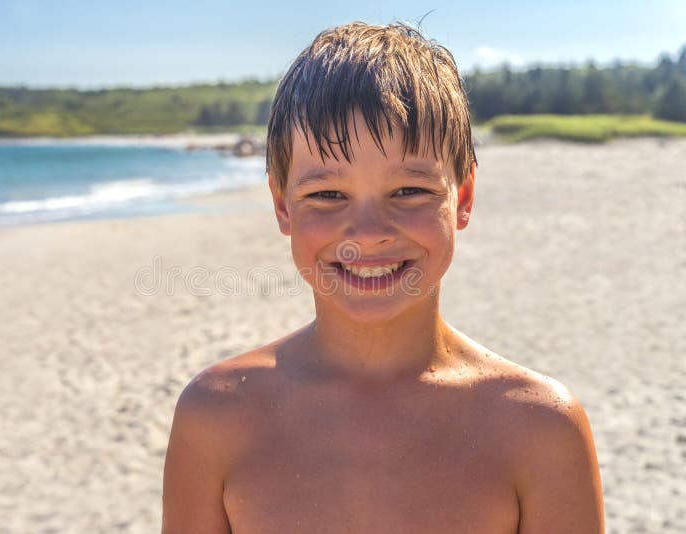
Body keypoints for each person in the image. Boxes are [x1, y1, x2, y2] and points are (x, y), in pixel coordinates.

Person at [162, 21, 604, 533]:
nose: (368, 234)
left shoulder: (539, 427)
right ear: (282, 206)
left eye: (408, 191)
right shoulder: (216, 417)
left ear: (462, 198)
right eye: (328, 195)